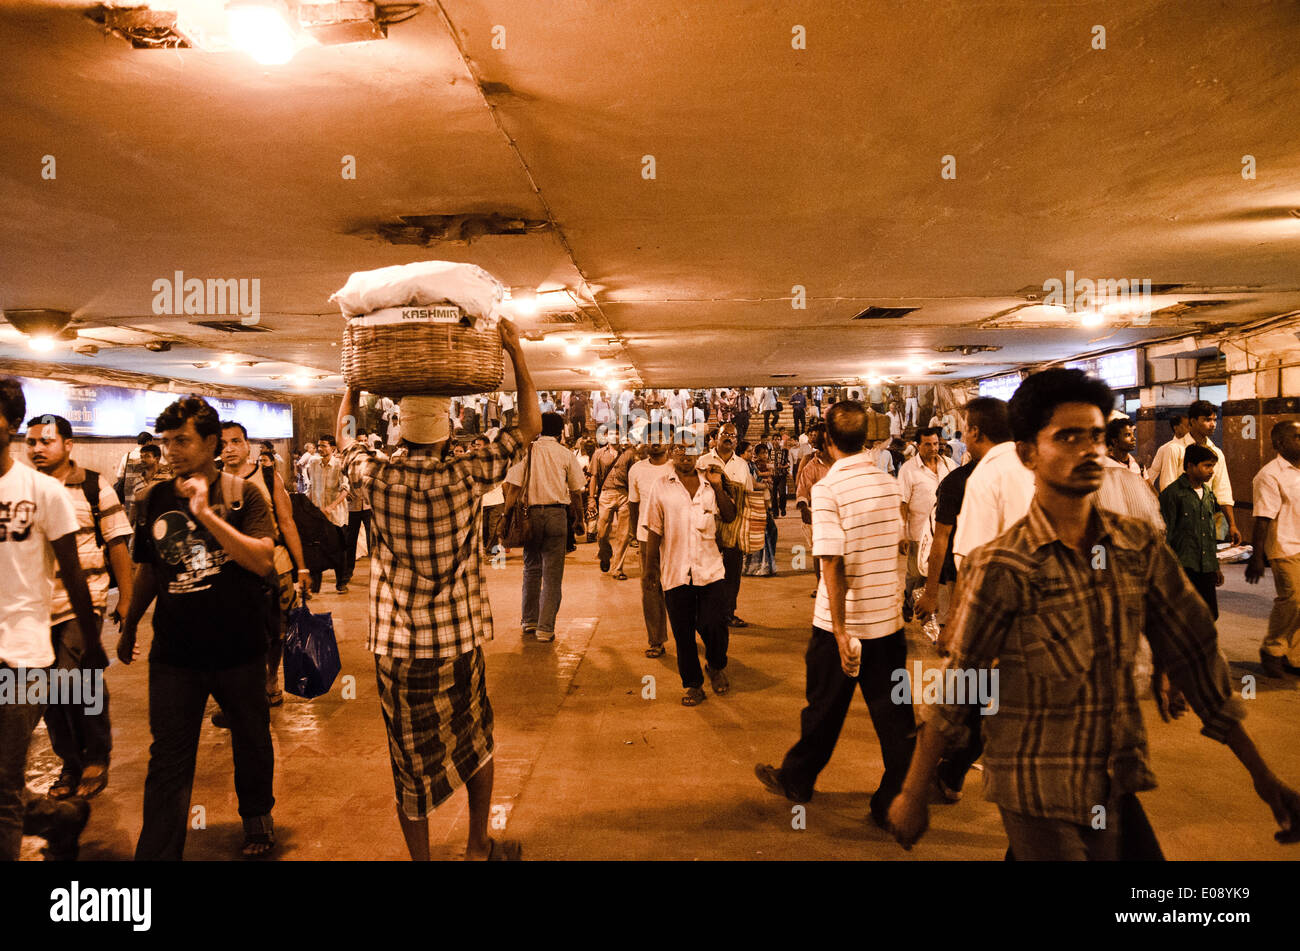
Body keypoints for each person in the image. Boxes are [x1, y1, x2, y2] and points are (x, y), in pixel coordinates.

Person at [888, 368, 1300, 860]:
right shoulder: (1002, 566)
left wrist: (1263, 776)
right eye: (1067, 437)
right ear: (1028, 452)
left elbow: (1196, 657)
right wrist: (914, 793)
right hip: (1032, 783)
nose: (1088, 450)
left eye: (1095, 436)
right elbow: (962, 685)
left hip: (1111, 776)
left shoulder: (1136, 546)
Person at [338, 320, 538, 861]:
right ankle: (477, 848)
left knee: (407, 760)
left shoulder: (376, 476)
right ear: (448, 431)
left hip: (397, 649)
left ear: (400, 432)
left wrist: (354, 379)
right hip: (457, 640)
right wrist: (516, 352)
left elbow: (346, 435)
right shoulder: (469, 473)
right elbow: (529, 426)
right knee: (476, 739)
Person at [121, 395, 279, 860]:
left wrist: (207, 514)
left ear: (210, 443)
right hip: (175, 654)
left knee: (251, 738)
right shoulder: (154, 498)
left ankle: (257, 818)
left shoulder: (242, 494)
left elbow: (262, 559)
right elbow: (149, 567)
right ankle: (157, 852)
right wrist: (130, 623)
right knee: (167, 757)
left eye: (183, 441)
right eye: (167, 441)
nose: (172, 451)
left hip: (239, 649)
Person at [755, 400, 914, 829]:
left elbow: (831, 563)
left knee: (823, 710)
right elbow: (901, 545)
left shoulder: (828, 489)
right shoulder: (889, 484)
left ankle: (797, 779)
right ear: (866, 438)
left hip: (838, 626)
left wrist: (843, 633)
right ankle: (892, 803)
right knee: (896, 718)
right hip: (888, 624)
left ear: (825, 439)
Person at [0, 380, 104, 862]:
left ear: (10, 424)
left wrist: (95, 640)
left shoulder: (43, 492)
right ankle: (58, 818)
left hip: (22, 655)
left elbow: (74, 574)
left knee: (2, 783)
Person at [25, 414, 134, 802]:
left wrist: (127, 597)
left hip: (83, 600)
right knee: (46, 691)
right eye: (32, 441)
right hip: (34, 608)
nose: (37, 448)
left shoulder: (93, 486)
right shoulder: (24, 490)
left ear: (68, 445)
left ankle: (96, 755)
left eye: (46, 441)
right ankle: (69, 763)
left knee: (74, 678)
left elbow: (117, 541)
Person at [913, 397, 1009, 803]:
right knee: (982, 690)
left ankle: (942, 770)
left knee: (971, 691)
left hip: (982, 602)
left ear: (974, 433)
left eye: (964, 427)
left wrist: (941, 605)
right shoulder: (1035, 471)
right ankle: (951, 766)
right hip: (1026, 609)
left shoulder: (967, 481)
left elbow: (946, 545)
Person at [218, 421, 311, 709]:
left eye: (235, 441)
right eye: (223, 444)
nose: (229, 448)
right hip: (228, 571)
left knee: (275, 631)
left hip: (273, 566)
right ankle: (234, 689)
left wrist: (302, 568)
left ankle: (270, 678)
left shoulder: (268, 477)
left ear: (248, 445)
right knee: (228, 633)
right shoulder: (211, 481)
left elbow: (286, 522)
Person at [643, 437, 737, 705]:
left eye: (690, 450)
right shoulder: (660, 487)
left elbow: (729, 515)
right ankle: (693, 684)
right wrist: (650, 571)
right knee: (683, 632)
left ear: (699, 454)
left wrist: (718, 486)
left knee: (715, 624)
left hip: (710, 569)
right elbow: (654, 530)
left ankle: (716, 666)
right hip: (675, 570)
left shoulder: (710, 484)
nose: (684, 456)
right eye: (679, 450)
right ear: (672, 453)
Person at [503, 412, 585, 642]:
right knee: (552, 574)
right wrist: (579, 519)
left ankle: (529, 620)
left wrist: (507, 516)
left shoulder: (526, 452)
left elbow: (513, 488)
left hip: (530, 516)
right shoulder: (565, 454)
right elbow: (577, 491)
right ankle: (545, 628)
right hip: (556, 515)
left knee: (531, 568)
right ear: (560, 431)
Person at [1247, 421, 1300, 678]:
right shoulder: (1270, 475)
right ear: (1279, 443)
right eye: (1298, 437)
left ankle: (1294, 656)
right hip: (1285, 546)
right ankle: (1272, 650)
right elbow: (1262, 518)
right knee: (1293, 599)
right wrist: (1256, 556)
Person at [1148, 400, 1240, 544]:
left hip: (1207, 521)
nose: (1213, 424)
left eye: (1215, 420)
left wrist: (1232, 525)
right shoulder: (1174, 449)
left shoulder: (1216, 453)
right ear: (1193, 421)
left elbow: (1223, 491)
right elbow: (1168, 489)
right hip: (1180, 524)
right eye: (1207, 420)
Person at [697, 422, 754, 627]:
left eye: (733, 435)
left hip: (734, 524)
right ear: (716, 438)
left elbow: (747, 495)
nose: (729, 438)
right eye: (725, 434)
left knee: (732, 572)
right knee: (705, 570)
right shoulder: (702, 461)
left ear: (737, 440)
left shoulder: (741, 464)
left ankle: (729, 613)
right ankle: (706, 613)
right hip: (707, 523)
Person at [897, 427, 957, 621]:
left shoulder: (949, 465)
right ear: (918, 445)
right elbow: (903, 504)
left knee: (937, 576)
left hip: (943, 532)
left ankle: (931, 616)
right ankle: (907, 601)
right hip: (917, 534)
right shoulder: (908, 470)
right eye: (928, 444)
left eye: (936, 444)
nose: (933, 448)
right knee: (915, 575)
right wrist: (902, 533)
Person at [1159, 444, 1223, 620]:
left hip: (1205, 565)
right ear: (1189, 466)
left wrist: (1215, 566)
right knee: (1184, 614)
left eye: (1213, 466)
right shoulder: (1172, 494)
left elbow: (1210, 533)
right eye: (1206, 466)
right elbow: (1165, 533)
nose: (1211, 471)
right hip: (1183, 565)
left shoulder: (1208, 493)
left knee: (1210, 614)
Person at [627, 434, 674, 657]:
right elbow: (633, 504)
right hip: (647, 538)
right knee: (651, 588)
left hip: (675, 537)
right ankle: (656, 639)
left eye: (660, 436)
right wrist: (634, 532)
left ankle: (687, 634)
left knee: (680, 587)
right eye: (651, 437)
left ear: (669, 440)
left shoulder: (677, 467)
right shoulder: (636, 469)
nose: (655, 441)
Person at [590, 439, 637, 581]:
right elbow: (594, 476)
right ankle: (605, 553)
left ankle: (617, 568)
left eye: (618, 433)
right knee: (602, 532)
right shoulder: (598, 454)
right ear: (606, 436)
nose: (615, 436)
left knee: (623, 535)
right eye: (611, 433)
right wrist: (591, 498)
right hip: (606, 494)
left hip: (624, 495)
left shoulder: (628, 454)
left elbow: (632, 477)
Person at [795, 422, 833, 594]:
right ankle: (821, 586)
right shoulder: (811, 466)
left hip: (844, 514)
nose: (816, 444)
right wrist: (803, 507)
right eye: (814, 441)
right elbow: (802, 488)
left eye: (819, 440)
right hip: (821, 516)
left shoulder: (842, 461)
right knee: (819, 551)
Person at [313, 435, 350, 593]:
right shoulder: (313, 464)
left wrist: (331, 507)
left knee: (338, 551)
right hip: (318, 516)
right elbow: (312, 488)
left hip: (336, 517)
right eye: (319, 445)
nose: (320, 449)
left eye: (324, 446)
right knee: (315, 551)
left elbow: (345, 489)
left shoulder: (340, 465)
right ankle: (314, 587)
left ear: (333, 448)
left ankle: (341, 583)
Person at [116, 431, 156, 525]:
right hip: (146, 499)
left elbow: (119, 476)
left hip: (129, 499)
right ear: (148, 442)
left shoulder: (127, 456)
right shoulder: (151, 459)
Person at [1146, 413, 1192, 492]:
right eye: (1187, 426)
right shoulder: (1166, 448)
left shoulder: (1194, 446)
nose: (1190, 429)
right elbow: (1153, 474)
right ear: (1176, 428)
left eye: (1191, 426)